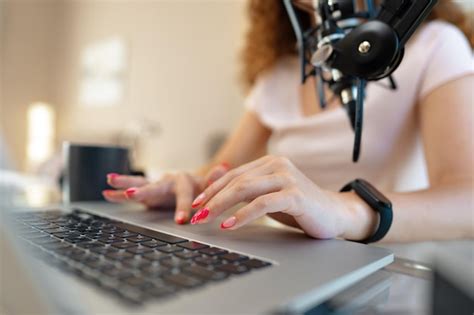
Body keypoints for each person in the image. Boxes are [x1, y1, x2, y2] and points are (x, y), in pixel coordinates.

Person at [103, 0, 473, 243]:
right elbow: (219, 170)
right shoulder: (278, 74)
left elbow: (466, 203)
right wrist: (191, 187)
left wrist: (342, 210)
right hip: (292, 270)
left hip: (384, 282)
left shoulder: (437, 46)